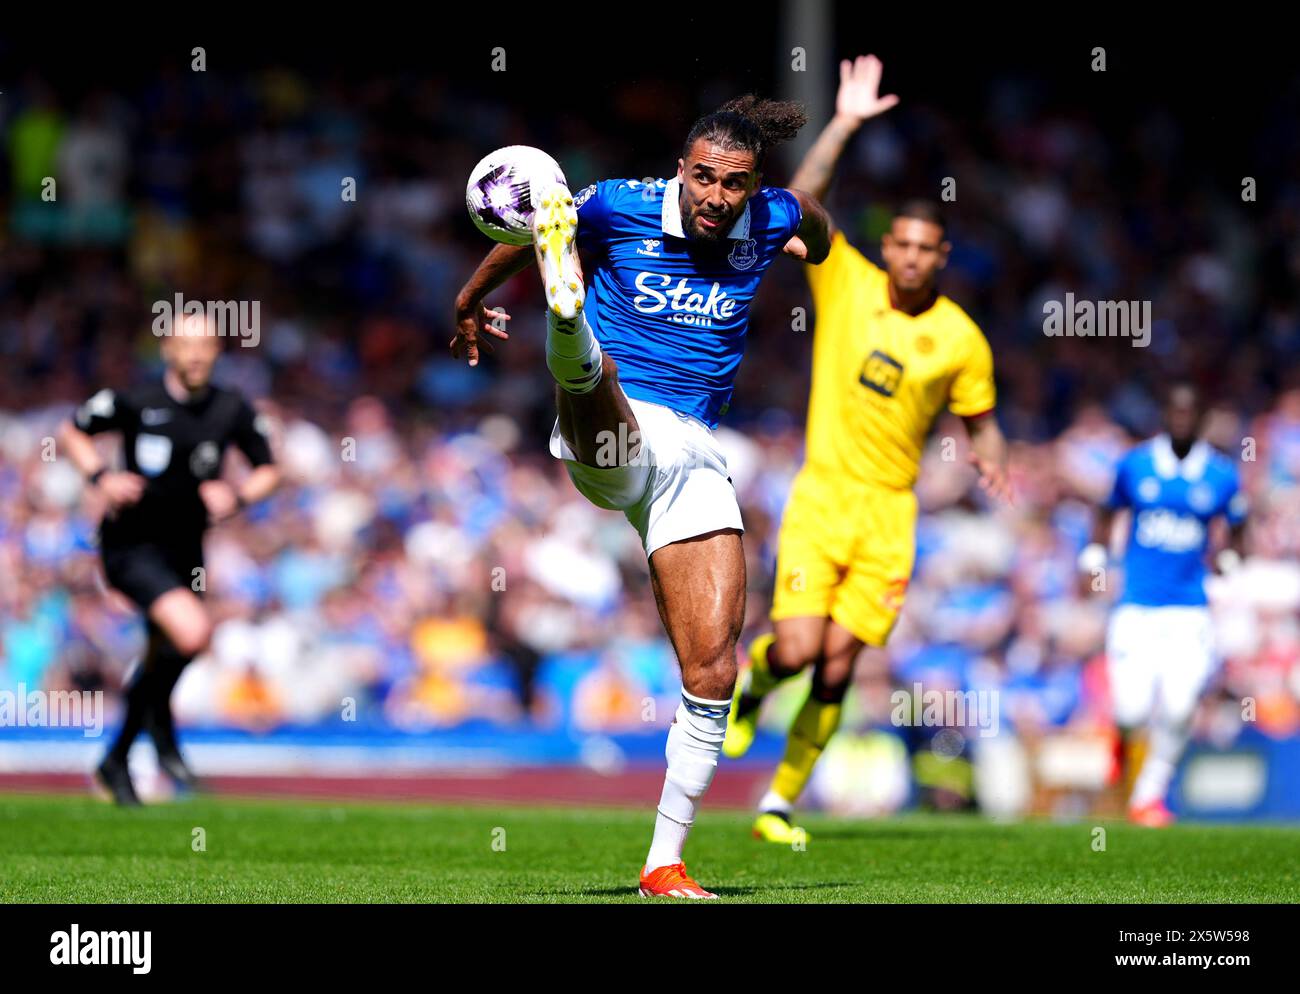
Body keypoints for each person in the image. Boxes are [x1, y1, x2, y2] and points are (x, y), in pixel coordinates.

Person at [453, 96, 831, 898]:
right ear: (681, 168)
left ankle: (664, 863)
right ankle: (573, 335)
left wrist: (809, 240)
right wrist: (467, 299)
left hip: (697, 451)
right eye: (701, 178)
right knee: (612, 415)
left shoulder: (770, 214)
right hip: (620, 424)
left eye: (733, 185)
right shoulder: (616, 204)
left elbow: (819, 225)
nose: (714, 198)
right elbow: (524, 234)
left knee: (714, 669)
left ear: (754, 183)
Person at [721, 56, 1012, 843]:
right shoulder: (845, 278)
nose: (912, 256)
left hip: (890, 515)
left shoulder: (961, 339)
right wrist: (845, 121)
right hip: (823, 495)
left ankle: (778, 804)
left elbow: (978, 414)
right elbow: (801, 201)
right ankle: (754, 686)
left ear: (942, 257)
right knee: (803, 649)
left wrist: (993, 454)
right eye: (904, 243)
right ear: (890, 246)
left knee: (843, 667)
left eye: (927, 247)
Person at [60, 314, 280, 805]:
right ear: (168, 350)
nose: (196, 354)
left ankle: (123, 759)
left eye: (206, 345)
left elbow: (268, 468)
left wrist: (238, 496)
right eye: (186, 344)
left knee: (166, 653)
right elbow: (72, 431)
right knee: (192, 633)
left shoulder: (231, 408)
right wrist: (101, 478)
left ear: (219, 351)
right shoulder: (135, 401)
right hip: (131, 546)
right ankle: (150, 743)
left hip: (188, 552)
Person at [1080, 383, 1246, 827]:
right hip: (1137, 605)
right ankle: (1121, 738)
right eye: (1174, 413)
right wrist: (1096, 552)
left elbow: (1237, 521)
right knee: (1132, 709)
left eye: (1190, 414)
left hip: (1189, 608)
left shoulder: (1221, 474)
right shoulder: (1136, 465)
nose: (1181, 421)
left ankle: (1149, 795)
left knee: (1179, 704)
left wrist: (1230, 555)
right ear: (1164, 415)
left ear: (1201, 418)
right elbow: (1106, 508)